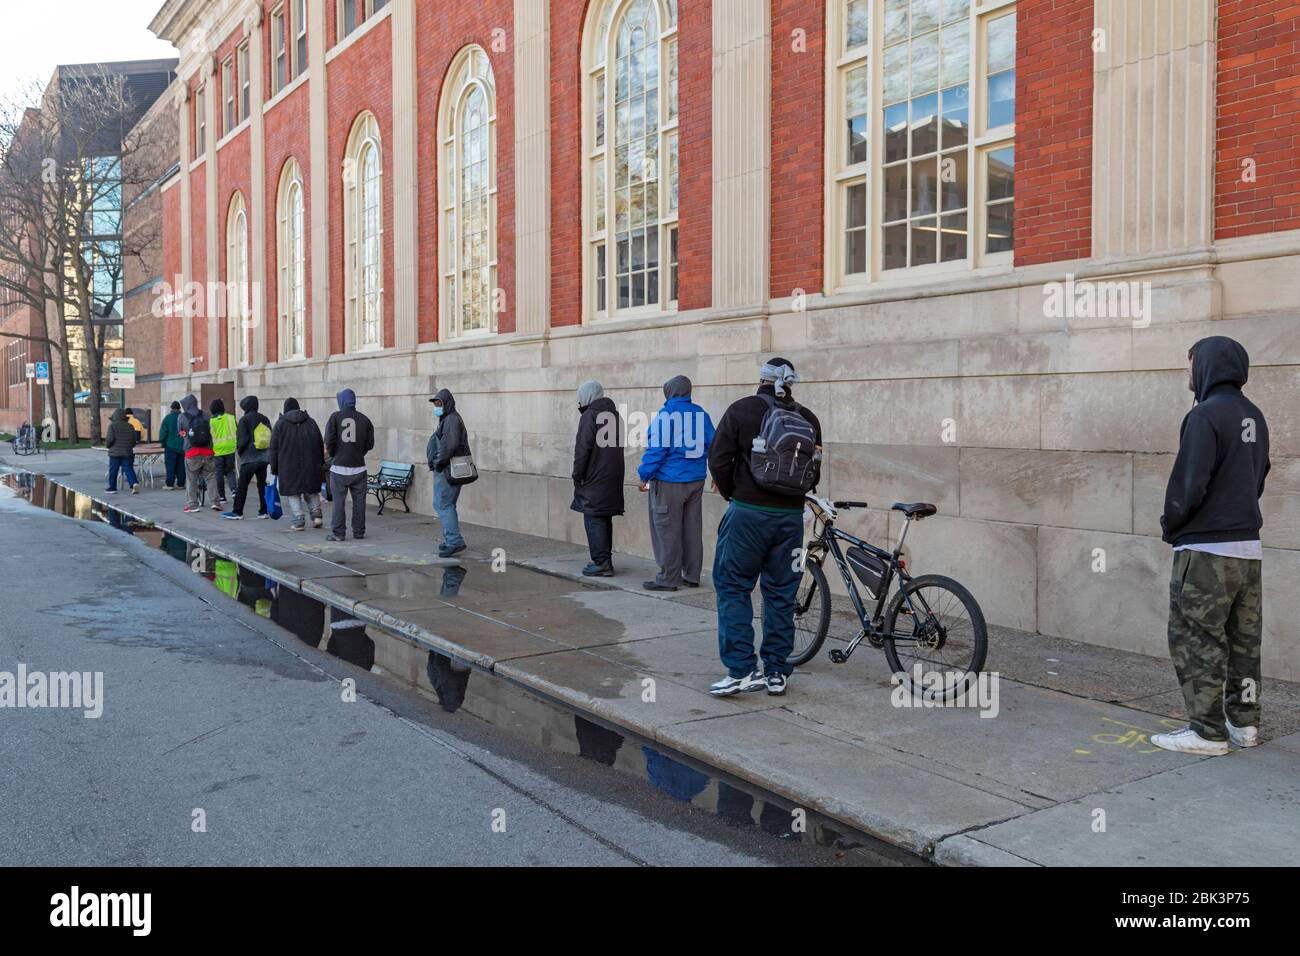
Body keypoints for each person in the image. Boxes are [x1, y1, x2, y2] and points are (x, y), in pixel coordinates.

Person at [1152, 336, 1271, 757]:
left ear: (1205, 367)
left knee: (1196, 639)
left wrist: (1172, 525)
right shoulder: (1253, 415)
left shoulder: (1204, 416)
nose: (1188, 374)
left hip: (1206, 553)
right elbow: (1258, 480)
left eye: (1190, 365)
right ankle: (1244, 725)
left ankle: (1206, 732)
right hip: (1247, 550)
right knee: (1244, 642)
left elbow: (1189, 484)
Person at [707, 358, 822, 697]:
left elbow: (717, 459)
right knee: (782, 594)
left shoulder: (742, 410)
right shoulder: (809, 418)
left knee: (732, 586)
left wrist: (734, 494)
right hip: (790, 519)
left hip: (748, 514)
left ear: (760, 379)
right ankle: (776, 671)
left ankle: (742, 670)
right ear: (791, 383)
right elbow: (814, 473)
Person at [638, 375, 715, 591]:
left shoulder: (666, 415)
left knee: (666, 530)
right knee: (692, 529)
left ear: (670, 391)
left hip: (670, 481)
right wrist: (716, 474)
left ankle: (668, 579)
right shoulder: (701, 414)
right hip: (696, 480)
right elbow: (715, 445)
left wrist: (644, 475)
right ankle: (692, 576)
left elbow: (656, 451)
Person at [571, 380, 624, 577]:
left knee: (593, 518)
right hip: (613, 476)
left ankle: (602, 563)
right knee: (604, 518)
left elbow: (582, 450)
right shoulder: (615, 416)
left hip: (594, 477)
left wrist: (577, 476)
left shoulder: (589, 416)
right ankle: (605, 560)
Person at [324, 387, 375, 541]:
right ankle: (359, 532)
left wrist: (334, 455)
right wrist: (359, 453)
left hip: (339, 468)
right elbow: (370, 444)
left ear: (341, 401)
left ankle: (338, 533)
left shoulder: (335, 417)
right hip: (359, 468)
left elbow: (329, 441)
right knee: (359, 503)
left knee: (339, 503)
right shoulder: (365, 419)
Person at [269, 397, 325, 531]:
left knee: (293, 494)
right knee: (311, 491)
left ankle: (299, 520)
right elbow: (319, 443)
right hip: (311, 464)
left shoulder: (280, 425)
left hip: (288, 466)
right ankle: (317, 516)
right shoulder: (310, 422)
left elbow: (274, 449)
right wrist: (320, 463)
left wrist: (275, 468)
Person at [426, 388, 469, 557]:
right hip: (446, 469)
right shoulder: (448, 419)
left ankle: (454, 541)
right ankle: (451, 539)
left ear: (447, 404)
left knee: (443, 504)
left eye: (439, 403)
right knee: (446, 505)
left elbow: (449, 446)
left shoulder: (451, 420)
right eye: (435, 403)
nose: (436, 406)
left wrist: (438, 463)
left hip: (446, 469)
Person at [224, 395, 272, 520]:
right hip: (264, 457)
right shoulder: (264, 418)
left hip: (249, 458)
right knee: (262, 485)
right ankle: (264, 511)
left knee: (242, 486)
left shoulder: (244, 420)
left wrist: (240, 452)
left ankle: (237, 512)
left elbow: (242, 441)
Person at [178, 394, 215, 513]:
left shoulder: (182, 417)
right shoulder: (205, 414)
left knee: (191, 479)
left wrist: (186, 436)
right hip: (208, 450)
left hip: (192, 452)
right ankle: (215, 502)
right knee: (211, 477)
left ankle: (192, 505)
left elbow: (181, 432)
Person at [209, 398, 238, 511]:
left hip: (217, 450)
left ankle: (222, 496)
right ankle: (234, 490)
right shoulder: (231, 418)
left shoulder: (211, 421)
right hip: (230, 448)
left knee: (219, 473)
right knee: (230, 471)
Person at [104, 406, 140, 495]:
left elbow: (110, 439)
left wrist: (108, 446)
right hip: (127, 452)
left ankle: (112, 488)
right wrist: (129, 446)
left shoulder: (112, 426)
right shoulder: (130, 426)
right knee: (128, 468)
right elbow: (133, 441)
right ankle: (134, 483)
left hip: (115, 453)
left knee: (113, 470)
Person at [158, 401, 186, 490]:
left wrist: (162, 442)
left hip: (170, 446)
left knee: (170, 466)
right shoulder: (184, 417)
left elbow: (163, 432)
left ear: (171, 408)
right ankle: (181, 484)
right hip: (182, 446)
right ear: (179, 408)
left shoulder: (167, 418)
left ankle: (170, 484)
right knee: (181, 466)